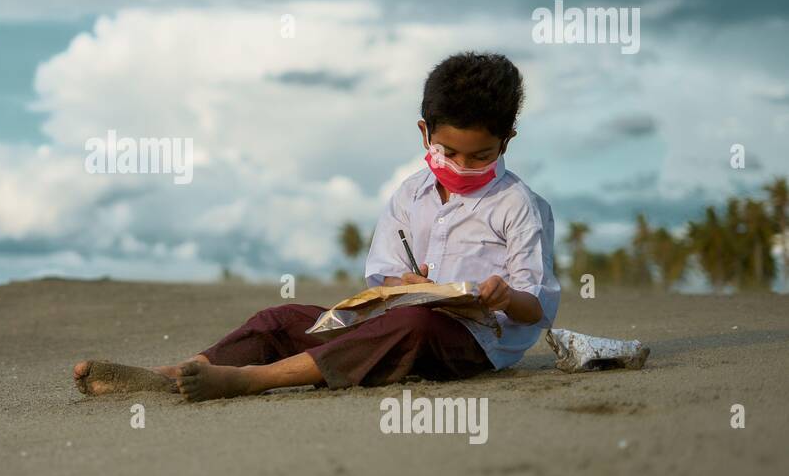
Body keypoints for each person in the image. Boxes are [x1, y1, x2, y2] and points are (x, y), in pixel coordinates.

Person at [73, 51, 560, 402]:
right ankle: (180, 370)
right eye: (448, 151)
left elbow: (532, 306)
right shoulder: (410, 194)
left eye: (481, 155)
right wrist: (407, 285)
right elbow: (385, 277)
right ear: (424, 133)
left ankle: (252, 380)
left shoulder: (518, 205)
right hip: (402, 316)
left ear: (507, 142)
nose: (460, 165)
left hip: (473, 345)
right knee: (282, 319)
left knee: (414, 325)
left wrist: (501, 297)